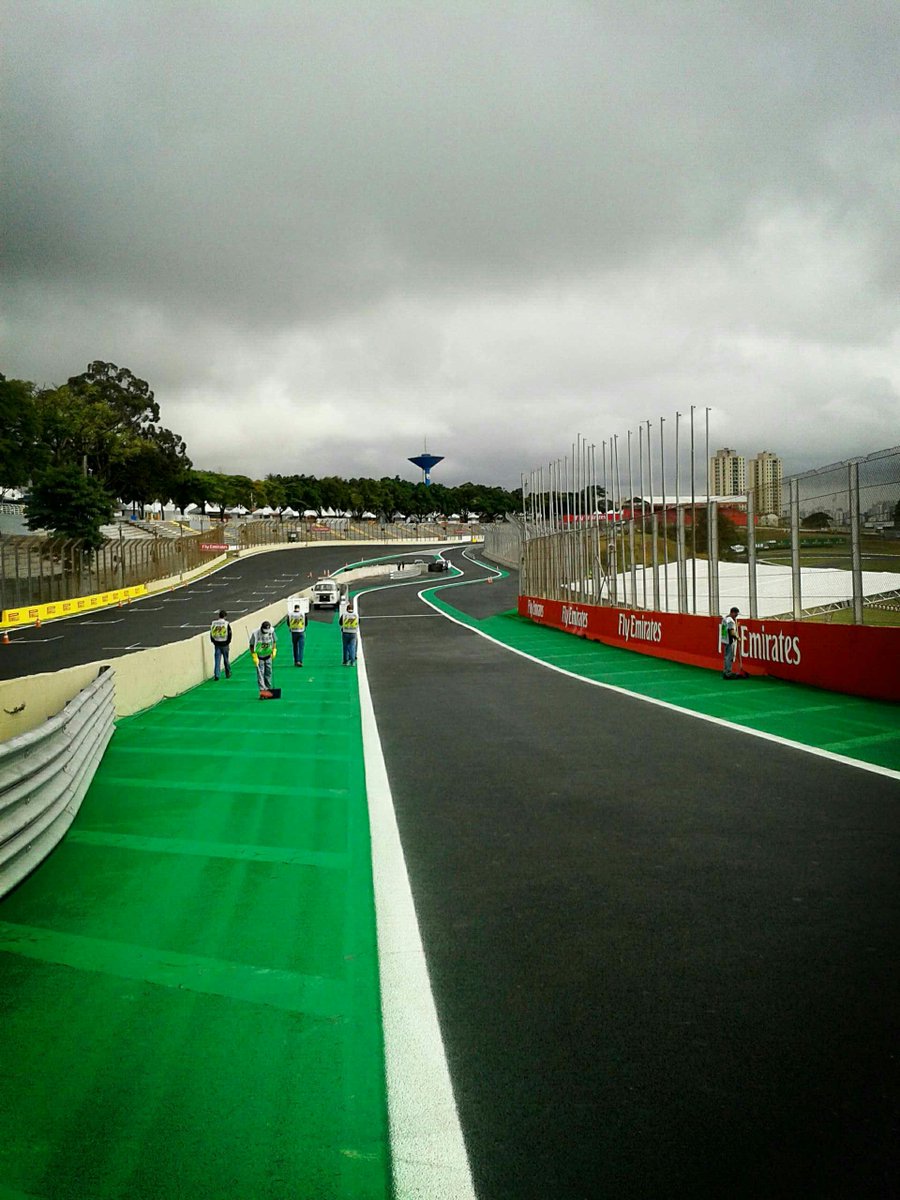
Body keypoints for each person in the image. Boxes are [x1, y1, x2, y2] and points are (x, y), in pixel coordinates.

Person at [249, 619, 278, 692]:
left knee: (269, 673)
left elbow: (274, 641)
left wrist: (274, 650)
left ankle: (268, 689)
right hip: (260, 657)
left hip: (268, 656)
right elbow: (251, 645)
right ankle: (262, 690)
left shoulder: (272, 631)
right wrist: (254, 655)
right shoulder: (255, 633)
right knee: (260, 674)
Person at [210, 609, 232, 680]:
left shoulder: (214, 623)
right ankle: (227, 673)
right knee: (226, 659)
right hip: (224, 644)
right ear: (225, 616)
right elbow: (230, 634)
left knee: (217, 660)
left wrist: (214, 641)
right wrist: (228, 642)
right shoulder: (226, 623)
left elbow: (211, 633)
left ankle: (217, 675)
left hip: (217, 644)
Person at [720, 606, 742, 679]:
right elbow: (731, 632)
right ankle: (728, 673)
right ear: (732, 612)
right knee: (729, 657)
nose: (736, 615)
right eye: (736, 614)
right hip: (729, 640)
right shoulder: (730, 621)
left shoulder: (725, 618)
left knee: (727, 656)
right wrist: (737, 638)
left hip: (724, 639)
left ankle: (726, 671)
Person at [340, 598, 359, 665]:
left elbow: (340, 623)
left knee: (345, 647)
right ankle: (353, 661)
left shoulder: (344, 615)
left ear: (347, 609)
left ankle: (345, 661)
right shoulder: (355, 615)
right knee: (352, 646)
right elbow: (358, 622)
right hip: (353, 633)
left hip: (345, 632)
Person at [288, 602, 306, 667]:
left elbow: (288, 622)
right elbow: (305, 622)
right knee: (301, 647)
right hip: (301, 631)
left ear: (294, 608)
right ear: (299, 608)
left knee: (295, 647)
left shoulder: (290, 614)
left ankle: (296, 661)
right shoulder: (302, 614)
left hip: (293, 632)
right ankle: (300, 661)